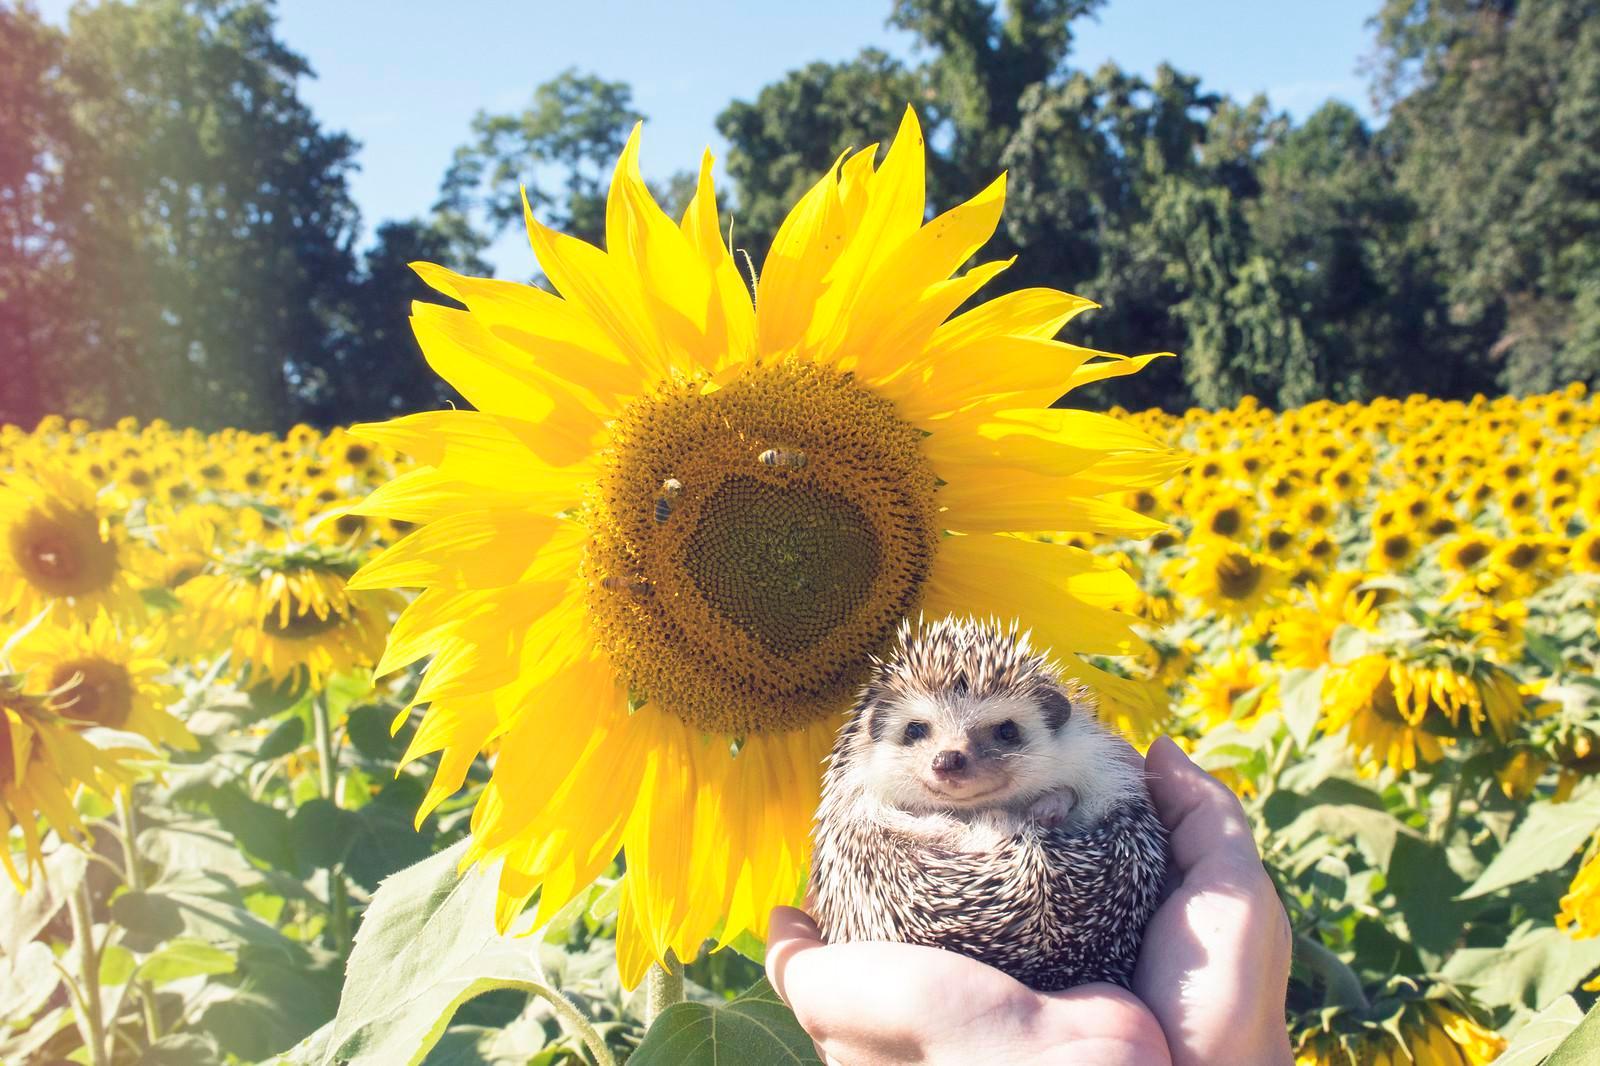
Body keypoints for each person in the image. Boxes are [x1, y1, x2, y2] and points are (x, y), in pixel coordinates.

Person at [765, 736, 1295, 1065]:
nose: (951, 757)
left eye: (1003, 733)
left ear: (1056, 720)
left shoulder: (1087, 771)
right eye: (917, 732)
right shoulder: (866, 801)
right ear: (875, 731)